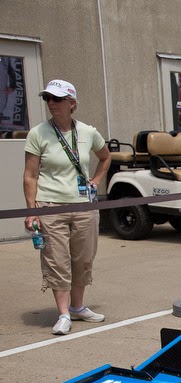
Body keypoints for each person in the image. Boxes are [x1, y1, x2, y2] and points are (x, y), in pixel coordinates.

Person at [23, 79, 111, 335]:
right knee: (56, 260)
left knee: (83, 259)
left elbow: (105, 157)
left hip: (84, 205)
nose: (51, 103)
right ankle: (63, 314)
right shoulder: (38, 133)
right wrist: (31, 211)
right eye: (47, 99)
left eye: (57, 99)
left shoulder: (88, 131)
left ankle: (78, 307)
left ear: (72, 103)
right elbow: (30, 175)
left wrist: (95, 181)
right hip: (50, 205)